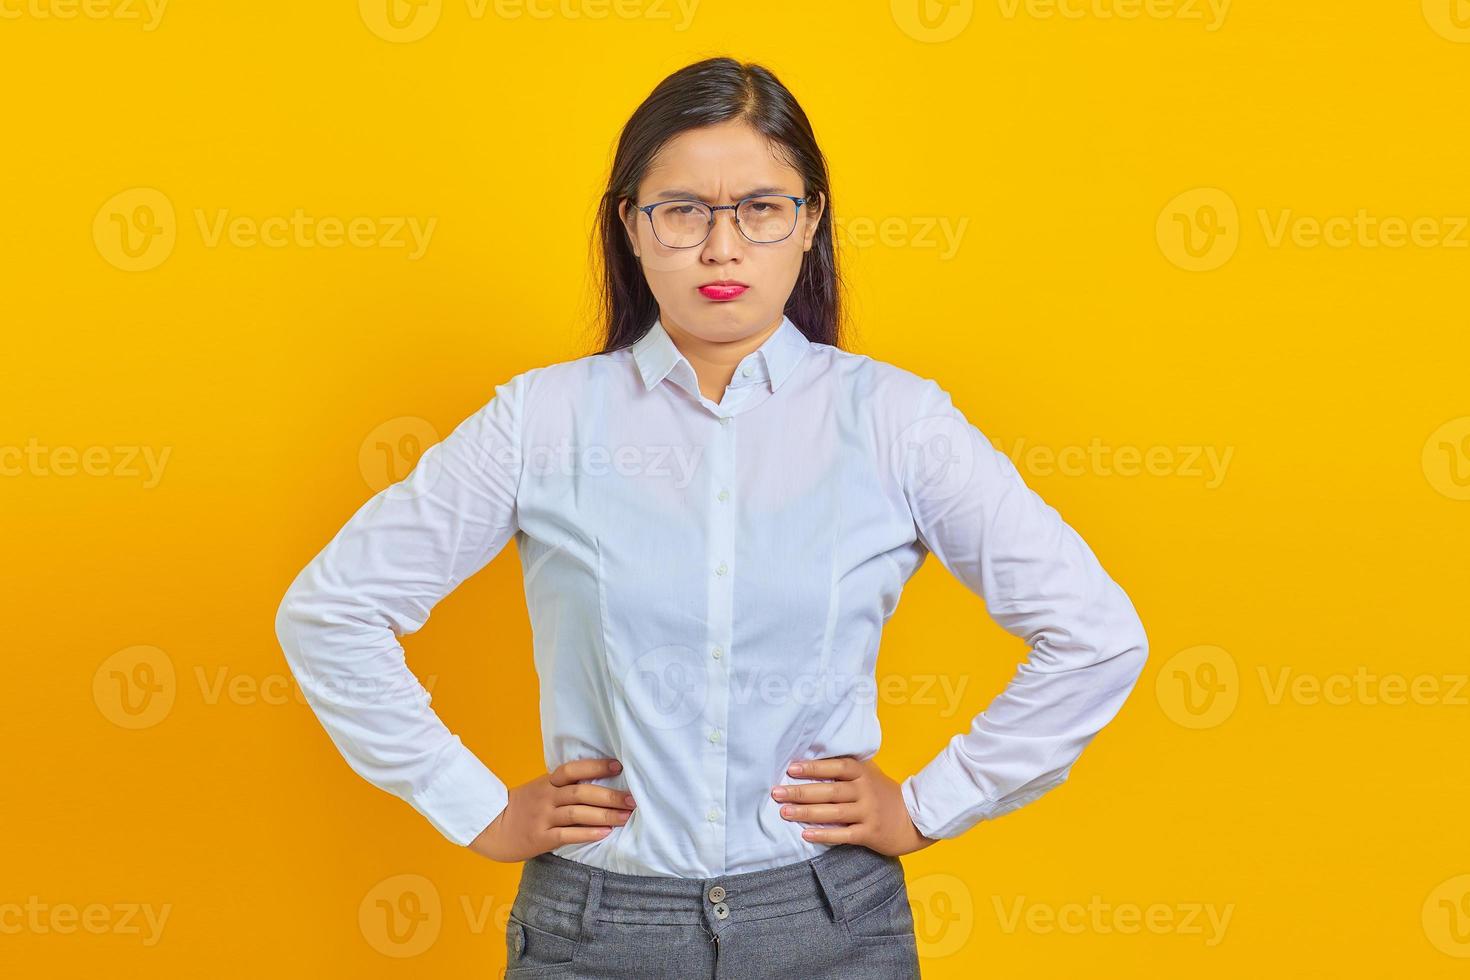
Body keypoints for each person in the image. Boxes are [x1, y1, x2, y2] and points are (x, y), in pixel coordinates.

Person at [275, 56, 1150, 979]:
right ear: (631, 226)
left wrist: (933, 805)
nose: (722, 248)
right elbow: (333, 611)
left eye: (761, 209)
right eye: (683, 211)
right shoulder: (542, 420)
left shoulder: (897, 420)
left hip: (830, 925)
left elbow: (1094, 635)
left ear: (809, 221)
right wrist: (473, 804)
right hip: (597, 929)